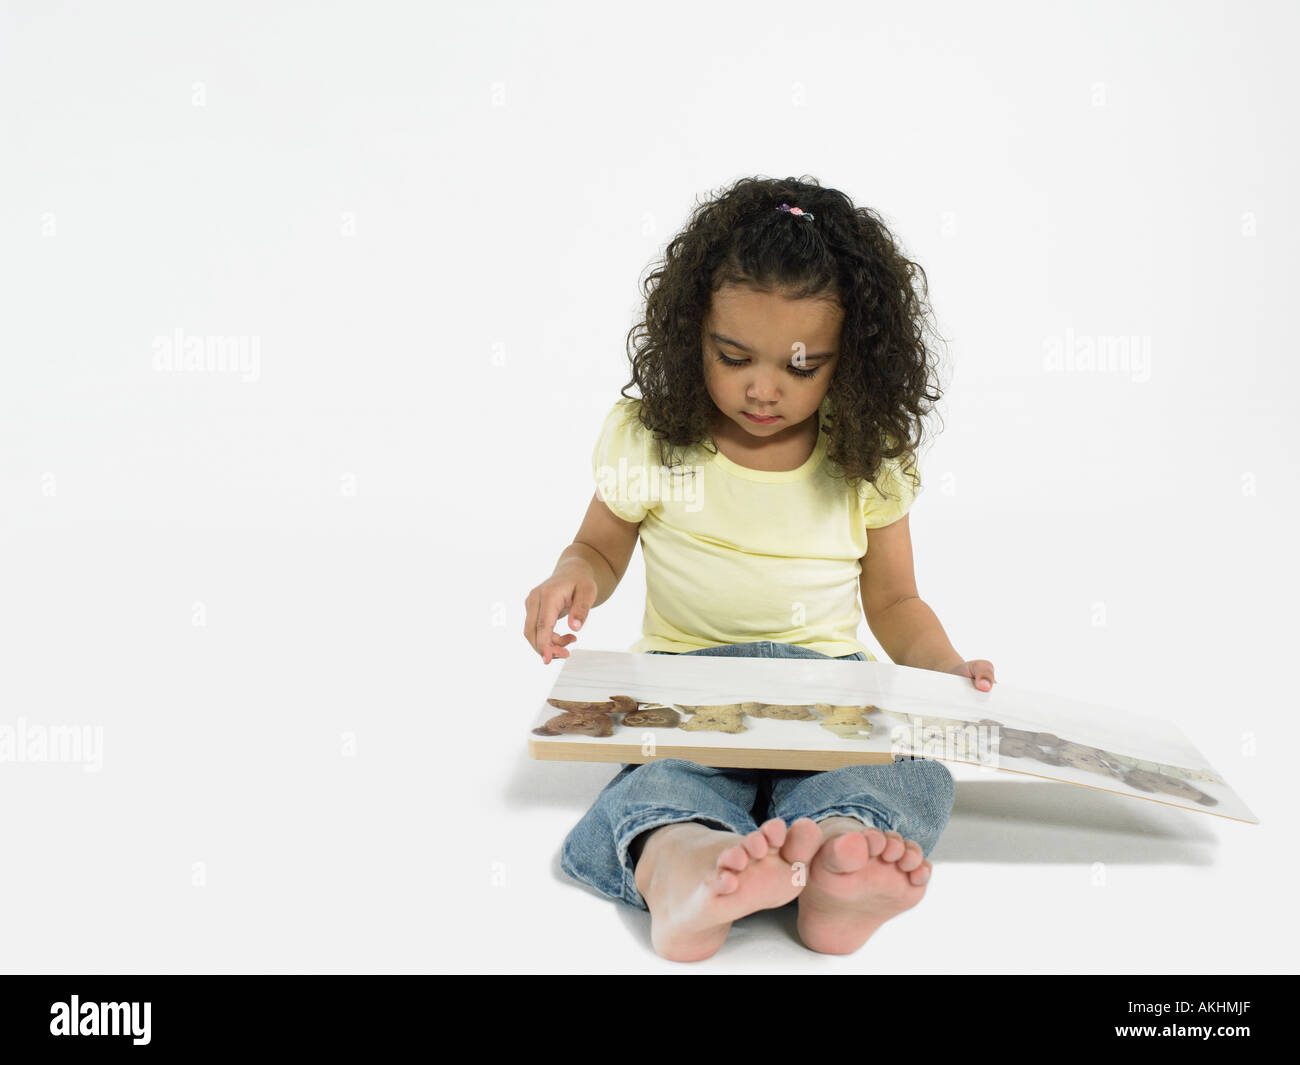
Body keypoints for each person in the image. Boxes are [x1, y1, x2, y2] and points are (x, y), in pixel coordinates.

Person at [523, 175, 996, 962]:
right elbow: (601, 549)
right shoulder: (656, 437)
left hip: (829, 695)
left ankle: (840, 857)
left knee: (911, 770)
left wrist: (944, 667)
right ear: (691, 334)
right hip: (686, 691)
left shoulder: (863, 453)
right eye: (733, 356)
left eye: (802, 367)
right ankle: (688, 867)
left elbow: (896, 598)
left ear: (851, 362)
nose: (763, 388)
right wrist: (573, 575)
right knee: (662, 784)